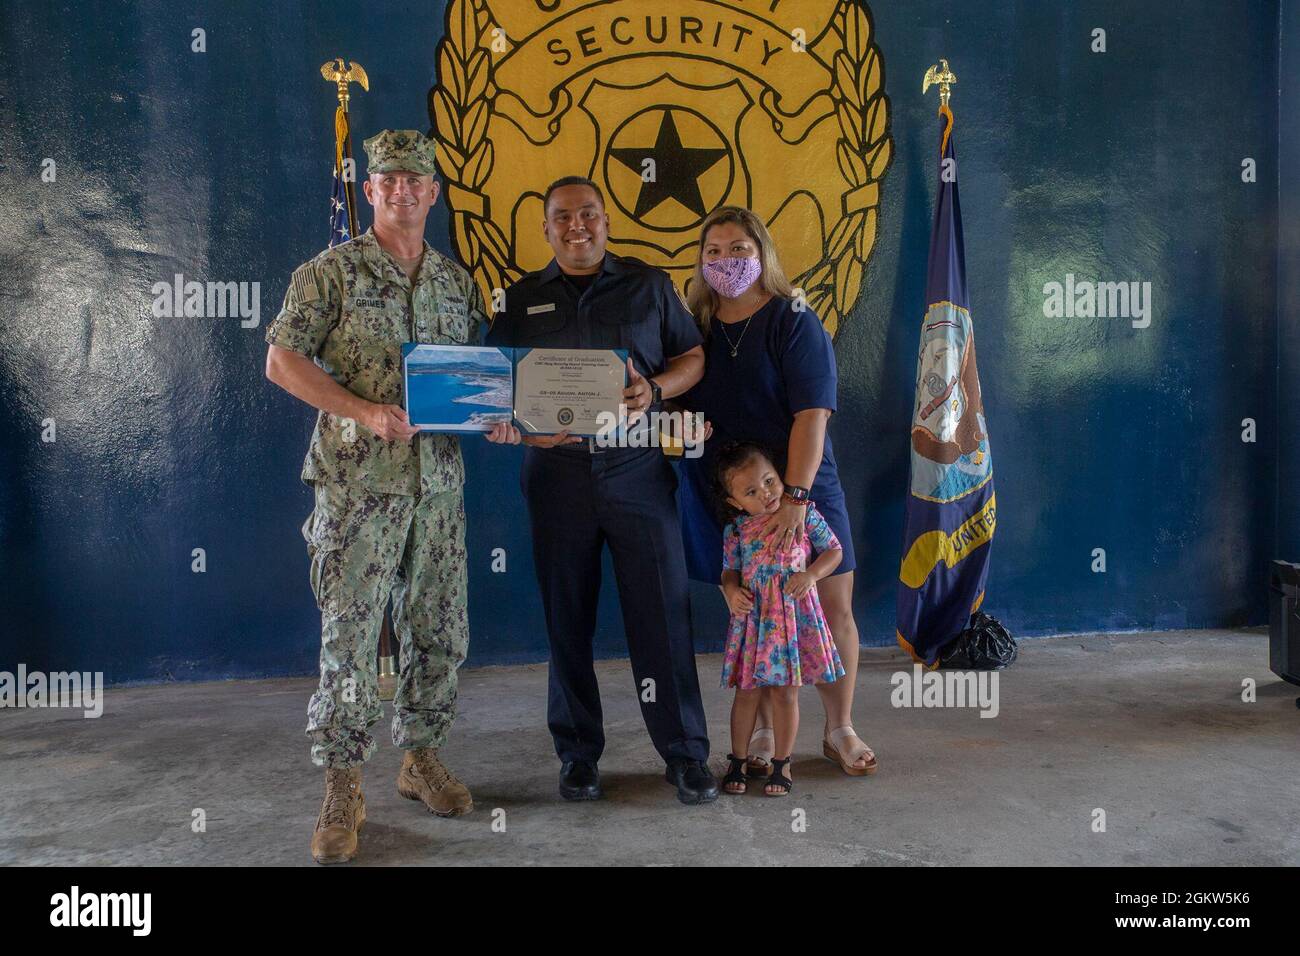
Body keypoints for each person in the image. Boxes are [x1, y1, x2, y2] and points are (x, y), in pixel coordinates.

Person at [264, 129, 488, 864]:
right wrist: (362, 410)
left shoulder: (456, 282)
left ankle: (420, 758)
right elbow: (282, 361)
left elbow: (475, 381)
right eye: (386, 179)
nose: (401, 189)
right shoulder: (329, 273)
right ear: (370, 190)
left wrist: (510, 418)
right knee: (352, 639)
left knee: (439, 629)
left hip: (438, 488)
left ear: (432, 192)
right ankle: (342, 783)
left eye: (414, 180)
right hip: (359, 486)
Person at [484, 176, 719, 805]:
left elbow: (693, 356)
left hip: (638, 471)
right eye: (562, 217)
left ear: (607, 219)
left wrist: (658, 390)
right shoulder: (518, 298)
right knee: (567, 619)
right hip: (555, 477)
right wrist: (517, 433)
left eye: (587, 213)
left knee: (663, 614)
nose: (576, 226)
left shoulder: (647, 284)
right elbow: (491, 392)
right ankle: (578, 755)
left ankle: (686, 754)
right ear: (546, 228)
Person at [677, 205, 878, 779]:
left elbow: (813, 414)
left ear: (762, 253)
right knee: (757, 612)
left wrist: (794, 494)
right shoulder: (695, 323)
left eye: (739, 248)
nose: (726, 260)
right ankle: (763, 731)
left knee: (831, 606)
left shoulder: (794, 318)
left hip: (801, 484)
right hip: (733, 495)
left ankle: (839, 728)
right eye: (713, 251)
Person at [712, 443, 844, 797]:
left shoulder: (804, 514)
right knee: (747, 693)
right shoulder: (737, 531)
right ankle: (738, 760)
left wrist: (812, 576)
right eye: (751, 491)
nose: (766, 494)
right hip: (753, 620)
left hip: (791, 619)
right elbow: (729, 572)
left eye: (770, 481)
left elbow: (834, 550)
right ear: (735, 502)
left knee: (787, 694)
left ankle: (782, 763)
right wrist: (731, 591)